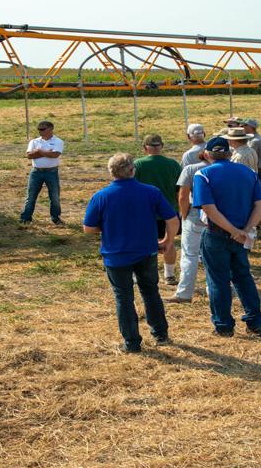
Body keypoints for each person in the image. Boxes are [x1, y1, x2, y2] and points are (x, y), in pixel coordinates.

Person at [82, 153, 179, 353]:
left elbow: (89, 228)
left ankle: (132, 342)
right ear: (133, 170)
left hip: (116, 254)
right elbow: (172, 219)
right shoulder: (151, 192)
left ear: (111, 172)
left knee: (123, 297)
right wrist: (168, 241)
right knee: (150, 291)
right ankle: (160, 333)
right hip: (146, 251)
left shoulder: (101, 196)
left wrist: (109, 226)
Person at [190, 136, 261, 337]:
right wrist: (245, 229)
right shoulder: (248, 173)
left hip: (216, 234)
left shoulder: (203, 174)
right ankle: (256, 323)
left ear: (207, 154)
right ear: (229, 153)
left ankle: (224, 326)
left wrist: (233, 231)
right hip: (242, 236)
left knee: (218, 281)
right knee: (244, 278)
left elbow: (209, 208)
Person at [133, 133, 183, 285]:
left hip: (145, 212)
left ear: (144, 148)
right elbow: (178, 190)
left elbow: (133, 188)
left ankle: (140, 274)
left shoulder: (138, 164)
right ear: (161, 146)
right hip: (169, 212)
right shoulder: (173, 164)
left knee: (141, 243)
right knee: (169, 243)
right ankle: (169, 275)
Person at [172, 150, 211, 303]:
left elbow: (182, 196)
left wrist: (184, 215)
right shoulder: (223, 168)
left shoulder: (190, 169)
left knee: (189, 255)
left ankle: (184, 293)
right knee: (213, 255)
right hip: (216, 216)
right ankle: (213, 289)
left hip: (195, 214)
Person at [19, 120, 65, 226]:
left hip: (51, 172)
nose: (40, 131)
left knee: (54, 197)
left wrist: (39, 151)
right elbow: (29, 155)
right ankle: (25, 218)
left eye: (42, 129)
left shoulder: (58, 141)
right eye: (39, 129)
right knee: (30, 196)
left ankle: (55, 218)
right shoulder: (34, 141)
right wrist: (47, 152)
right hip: (36, 172)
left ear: (50, 129)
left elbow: (55, 155)